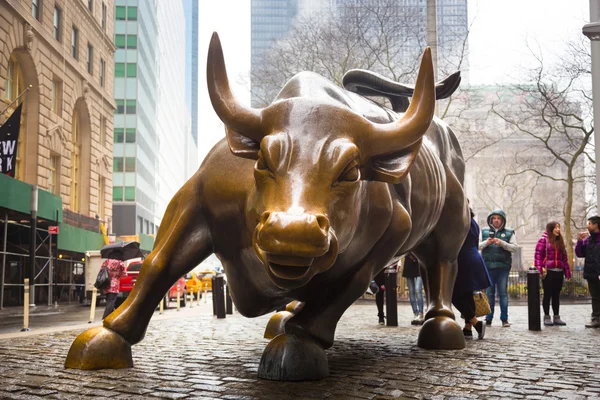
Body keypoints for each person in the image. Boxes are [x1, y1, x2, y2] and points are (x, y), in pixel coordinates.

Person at [453, 209, 491, 339]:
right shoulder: (472, 222)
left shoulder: (459, 222)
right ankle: (467, 329)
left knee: (454, 295)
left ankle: (476, 323)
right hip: (474, 257)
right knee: (467, 294)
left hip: (464, 260)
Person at [479, 209, 518, 327]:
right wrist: (487, 243)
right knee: (489, 294)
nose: (496, 220)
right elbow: (477, 246)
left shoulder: (509, 232)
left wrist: (502, 243)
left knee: (503, 294)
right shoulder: (484, 231)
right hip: (488, 267)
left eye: (498, 218)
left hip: (503, 267)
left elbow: (514, 248)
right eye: (494, 218)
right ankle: (489, 318)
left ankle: (504, 319)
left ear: (502, 220)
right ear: (491, 220)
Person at [534, 221, 571, 326]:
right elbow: (538, 256)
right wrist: (540, 269)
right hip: (548, 272)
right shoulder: (543, 240)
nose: (558, 229)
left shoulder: (560, 241)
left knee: (556, 295)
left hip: (559, 272)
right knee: (547, 295)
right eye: (555, 227)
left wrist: (567, 272)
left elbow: (564, 259)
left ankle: (556, 317)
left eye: (559, 227)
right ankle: (546, 316)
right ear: (550, 229)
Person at [575, 215, 600, 328]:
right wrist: (580, 241)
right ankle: (596, 319)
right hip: (591, 274)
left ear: (595, 225)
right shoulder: (588, 240)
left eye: (589, 223)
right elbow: (580, 254)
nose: (587, 225)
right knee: (595, 297)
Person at [402, 252, 424, 325]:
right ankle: (415, 312)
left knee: (418, 289)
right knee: (411, 291)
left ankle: (421, 313)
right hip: (409, 266)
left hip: (419, 265)